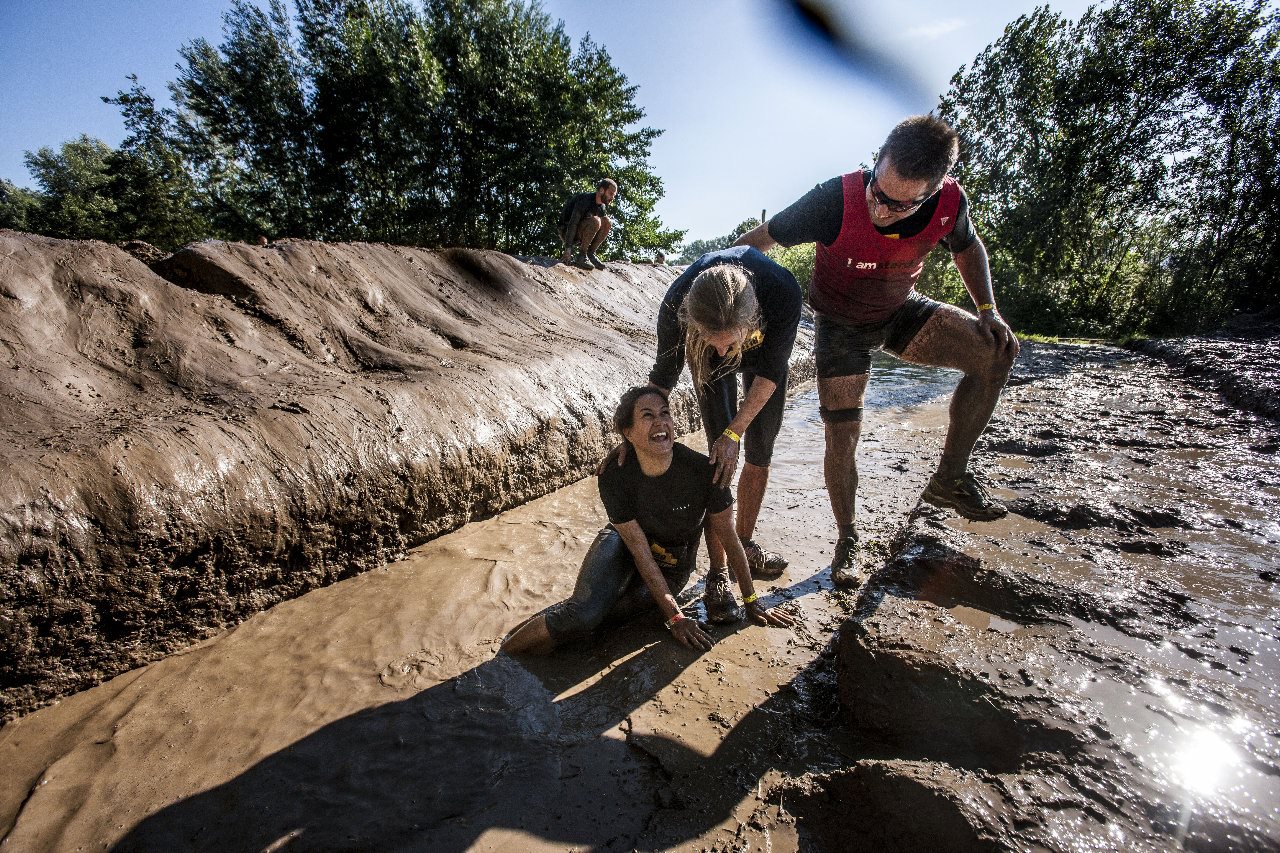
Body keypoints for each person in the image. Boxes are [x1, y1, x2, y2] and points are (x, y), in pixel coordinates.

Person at [734, 114, 1020, 587]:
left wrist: (987, 309)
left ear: (933, 191)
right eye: (878, 192)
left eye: (898, 204)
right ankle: (848, 539)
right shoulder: (834, 199)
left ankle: (949, 478)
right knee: (842, 435)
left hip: (900, 309)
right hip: (840, 327)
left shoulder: (951, 203)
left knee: (997, 353)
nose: (880, 209)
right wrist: (724, 295)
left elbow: (968, 248)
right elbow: (753, 245)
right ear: (877, 160)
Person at [502, 386, 794, 655]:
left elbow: (729, 539)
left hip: (673, 565)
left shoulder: (704, 471)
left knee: (606, 618)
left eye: (665, 413)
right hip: (621, 545)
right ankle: (503, 658)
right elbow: (640, 552)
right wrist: (676, 618)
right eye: (648, 416)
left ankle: (557, 618)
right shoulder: (614, 475)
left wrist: (752, 601)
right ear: (628, 433)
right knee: (584, 615)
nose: (660, 422)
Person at [617, 246, 802, 624]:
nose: (721, 348)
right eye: (710, 337)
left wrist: (735, 433)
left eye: (728, 341)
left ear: (751, 320)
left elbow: (770, 373)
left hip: (764, 364)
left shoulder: (782, 292)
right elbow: (663, 378)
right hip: (709, 367)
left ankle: (743, 548)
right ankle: (717, 575)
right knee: (718, 464)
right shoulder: (676, 305)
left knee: (759, 451)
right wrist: (631, 435)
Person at [559, 178, 617, 270]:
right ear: (601, 190)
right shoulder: (585, 200)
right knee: (595, 221)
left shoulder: (602, 207)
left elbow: (600, 226)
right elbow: (573, 223)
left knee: (607, 222)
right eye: (610, 194)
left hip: (582, 231)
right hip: (566, 231)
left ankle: (590, 254)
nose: (612, 198)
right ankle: (582, 256)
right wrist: (568, 249)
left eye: (614, 195)